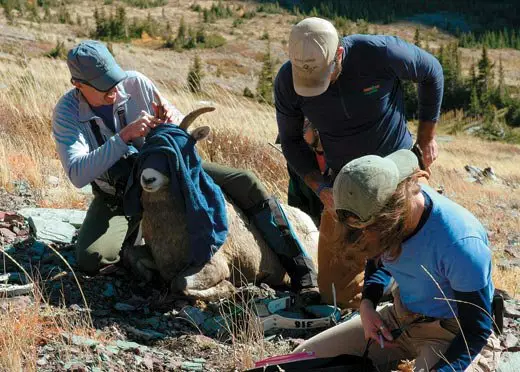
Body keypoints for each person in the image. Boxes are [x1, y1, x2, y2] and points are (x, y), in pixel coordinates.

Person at [52, 40, 319, 301]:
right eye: (103, 87)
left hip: (169, 172)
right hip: (119, 193)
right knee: (92, 259)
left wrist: (171, 128)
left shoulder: (136, 84)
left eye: (114, 80)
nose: (113, 90)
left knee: (245, 181)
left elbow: (179, 122)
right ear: (78, 85)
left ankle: (300, 267)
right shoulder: (67, 113)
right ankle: (138, 243)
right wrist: (123, 137)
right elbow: (77, 173)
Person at [274, 17, 444, 305]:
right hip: (344, 186)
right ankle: (383, 283)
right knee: (335, 296)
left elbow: (432, 72)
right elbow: (290, 142)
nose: (321, 88)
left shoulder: (379, 53)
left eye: (324, 78)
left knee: (428, 280)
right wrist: (321, 189)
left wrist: (426, 137)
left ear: (339, 55)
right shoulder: (287, 81)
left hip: (399, 173)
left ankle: (397, 280)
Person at [294, 149, 501, 371]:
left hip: (452, 332)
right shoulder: (388, 222)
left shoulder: (460, 244)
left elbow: (477, 328)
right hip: (399, 318)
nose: (364, 238)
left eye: (367, 231)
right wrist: (367, 304)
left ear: (388, 219)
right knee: (300, 361)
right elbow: (379, 259)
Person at [285, 118, 326, 226]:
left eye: (303, 130)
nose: (299, 136)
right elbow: (296, 202)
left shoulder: (340, 156)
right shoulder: (298, 162)